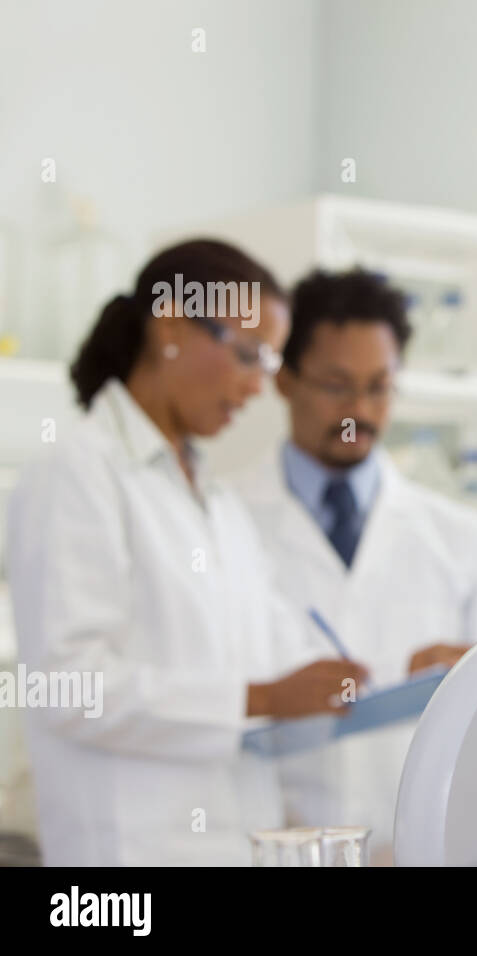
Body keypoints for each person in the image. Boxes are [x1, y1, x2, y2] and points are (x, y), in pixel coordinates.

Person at [5, 239, 368, 866]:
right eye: (249, 355)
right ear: (171, 325)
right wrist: (257, 699)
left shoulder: (216, 501)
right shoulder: (76, 474)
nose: (259, 386)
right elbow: (67, 686)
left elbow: (279, 653)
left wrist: (389, 674)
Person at [235, 267, 477, 863]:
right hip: (275, 852)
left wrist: (472, 684)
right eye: (336, 385)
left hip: (424, 852)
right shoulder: (225, 523)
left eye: (380, 387)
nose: (361, 410)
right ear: (285, 381)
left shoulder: (459, 537)